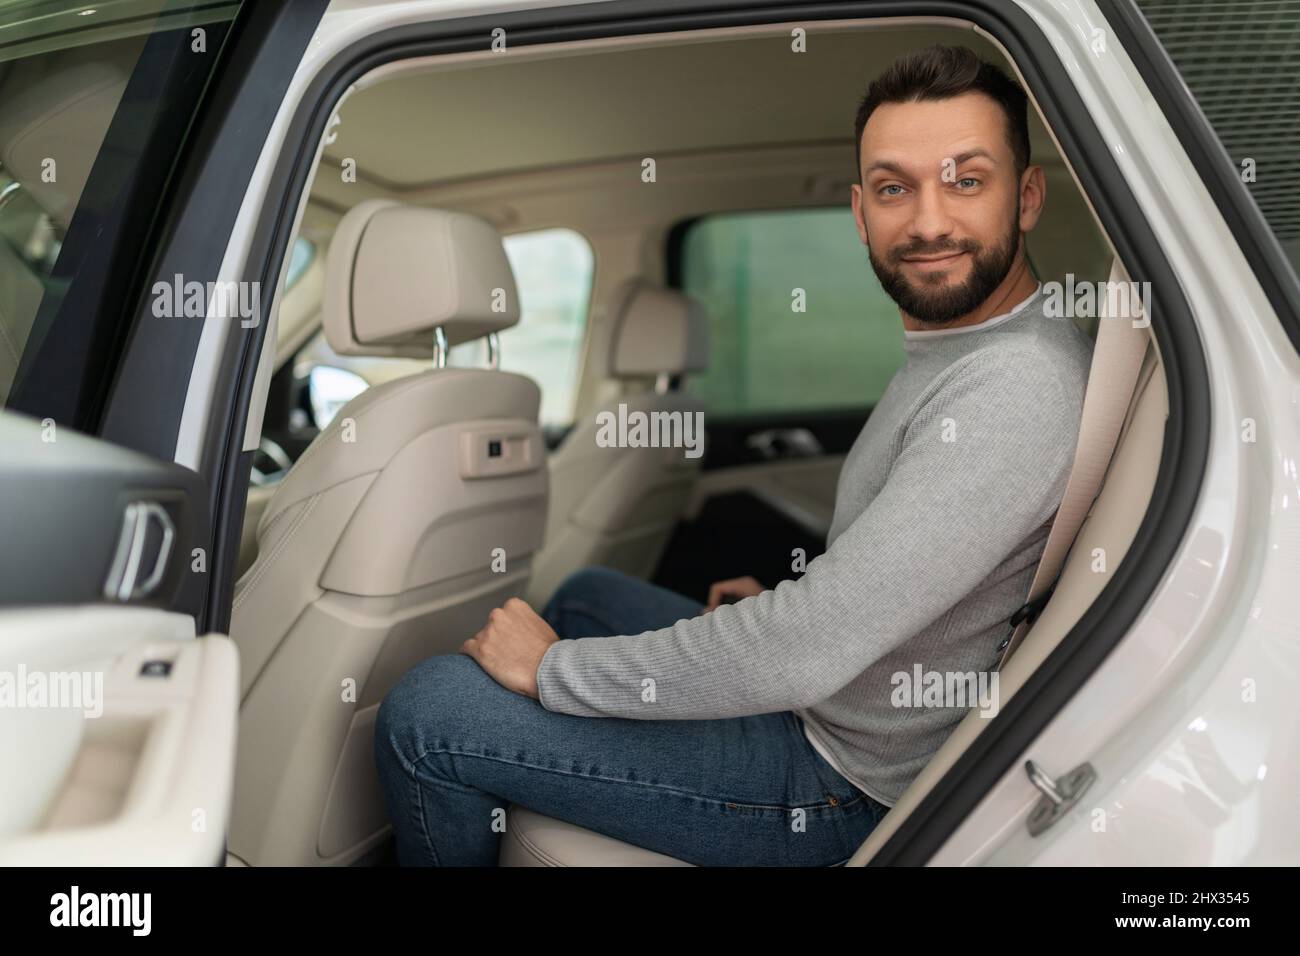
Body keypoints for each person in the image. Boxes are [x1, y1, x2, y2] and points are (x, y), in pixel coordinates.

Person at [374, 43, 1094, 866]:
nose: (929, 220)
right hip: (835, 703)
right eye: (897, 188)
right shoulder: (968, 353)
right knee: (586, 596)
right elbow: (881, 592)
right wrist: (790, 607)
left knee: (428, 712)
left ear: (1026, 195)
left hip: (843, 787)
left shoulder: (1013, 383)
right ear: (862, 213)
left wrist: (552, 675)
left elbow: (805, 647)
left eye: (967, 179)